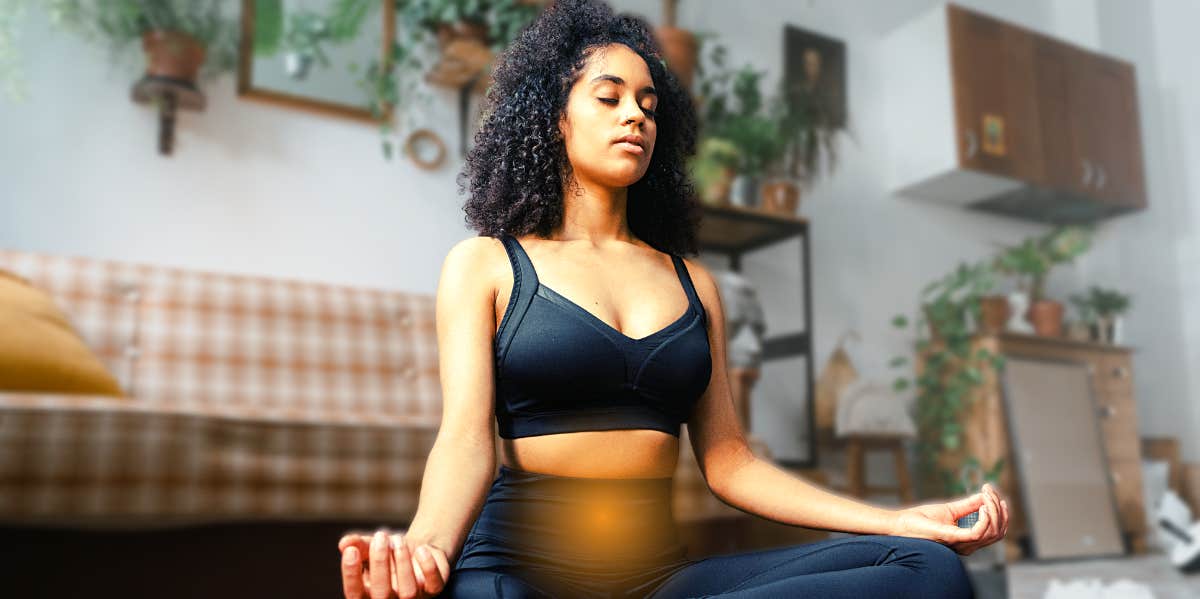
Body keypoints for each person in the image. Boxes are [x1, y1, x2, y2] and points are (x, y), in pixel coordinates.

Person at [337, 1, 1007, 597]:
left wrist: (897, 519)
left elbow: (731, 462)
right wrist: (425, 549)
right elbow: (463, 440)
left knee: (930, 567)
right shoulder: (488, 264)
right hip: (520, 569)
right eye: (610, 97)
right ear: (554, 120)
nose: (635, 114)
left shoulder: (694, 283)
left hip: (653, 576)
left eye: (650, 105)